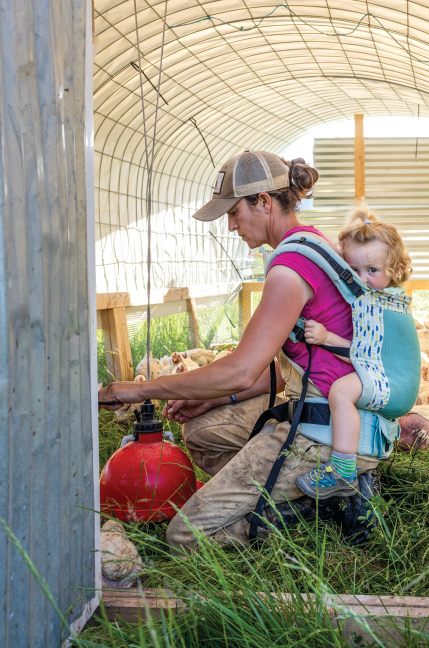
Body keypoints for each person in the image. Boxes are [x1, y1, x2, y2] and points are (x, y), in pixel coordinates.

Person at [97, 149, 381, 551]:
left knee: (184, 537)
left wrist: (142, 389)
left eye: (233, 213)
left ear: (264, 202)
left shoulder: (289, 268)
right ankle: (280, 491)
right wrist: (210, 399)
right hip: (342, 415)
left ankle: (322, 506)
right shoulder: (310, 245)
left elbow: (242, 370)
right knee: (202, 430)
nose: (231, 226)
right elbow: (278, 374)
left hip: (325, 432)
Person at [296, 203, 411, 498]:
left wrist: (324, 337)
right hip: (399, 380)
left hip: (392, 384)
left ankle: (343, 470)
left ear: (394, 269)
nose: (361, 278)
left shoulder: (374, 304)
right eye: (353, 269)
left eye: (371, 270)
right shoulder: (393, 297)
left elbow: (362, 352)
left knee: (340, 391)